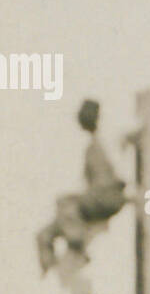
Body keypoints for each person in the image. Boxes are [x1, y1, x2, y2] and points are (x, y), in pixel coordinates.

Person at [36, 100, 128, 273]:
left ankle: (77, 244)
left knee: (64, 204)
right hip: (104, 195)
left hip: (106, 195)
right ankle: (74, 247)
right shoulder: (96, 144)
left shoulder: (102, 142)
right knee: (57, 216)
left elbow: (109, 176)